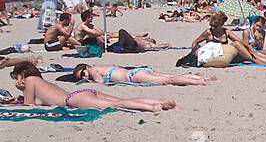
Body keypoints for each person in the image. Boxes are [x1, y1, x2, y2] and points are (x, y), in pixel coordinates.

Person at [9, 61, 177, 112]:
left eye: (17, 78)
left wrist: (20, 91)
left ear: (22, 74)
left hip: (73, 99)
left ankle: (155, 107)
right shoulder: (41, 82)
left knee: (118, 104)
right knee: (122, 100)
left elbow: (29, 106)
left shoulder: (30, 81)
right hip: (82, 93)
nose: (17, 81)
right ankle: (158, 102)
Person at [73, 63, 216, 87]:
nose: (85, 77)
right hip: (137, 71)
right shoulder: (102, 67)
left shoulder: (93, 69)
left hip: (133, 76)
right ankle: (202, 78)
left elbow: (99, 82)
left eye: (83, 73)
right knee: (170, 76)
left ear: (86, 67)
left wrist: (88, 81)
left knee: (170, 80)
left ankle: (198, 82)